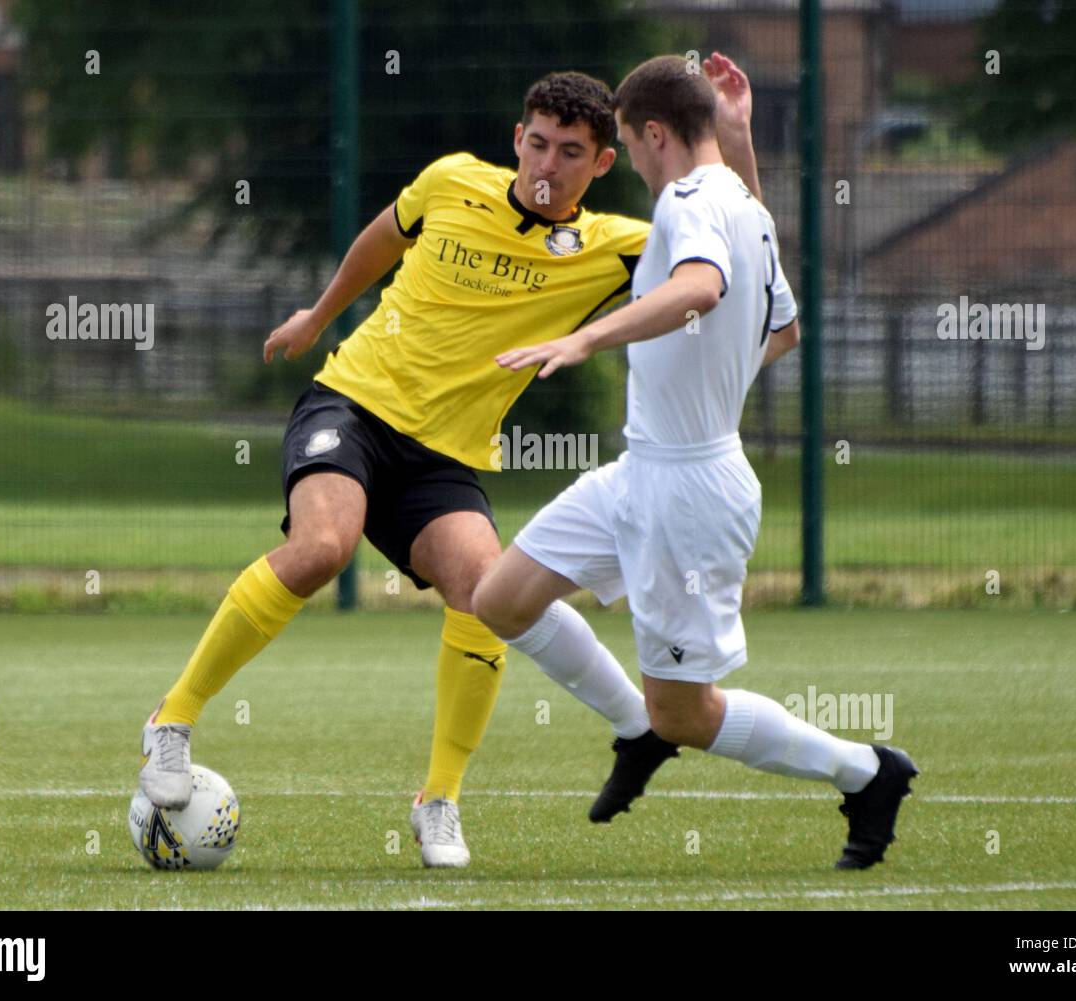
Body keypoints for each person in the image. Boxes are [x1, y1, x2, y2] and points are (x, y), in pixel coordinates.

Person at [137, 58, 763, 868]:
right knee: (323, 546)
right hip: (352, 405)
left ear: (603, 163)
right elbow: (381, 239)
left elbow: (744, 240)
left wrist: (735, 138)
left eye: (570, 152)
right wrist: (320, 313)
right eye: (536, 144)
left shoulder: (614, 247)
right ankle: (173, 719)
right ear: (516, 139)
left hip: (443, 458)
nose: (547, 164)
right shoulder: (451, 182)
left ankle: (438, 801)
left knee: (487, 596)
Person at [471, 54, 918, 869]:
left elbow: (705, 287)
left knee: (686, 711)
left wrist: (586, 335)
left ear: (653, 135)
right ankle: (632, 725)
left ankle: (866, 771)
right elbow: (779, 327)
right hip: (640, 470)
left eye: (632, 150)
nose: (634, 168)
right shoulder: (741, 202)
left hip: (690, 488)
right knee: (499, 598)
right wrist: (741, 138)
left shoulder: (686, 201)